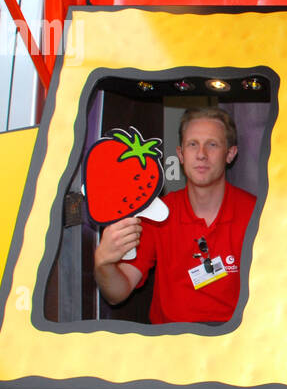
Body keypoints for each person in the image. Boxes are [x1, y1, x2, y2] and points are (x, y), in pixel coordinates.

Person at [94, 107, 256, 324]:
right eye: (192, 144)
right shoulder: (158, 215)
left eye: (212, 144)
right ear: (180, 154)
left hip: (236, 343)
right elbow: (117, 293)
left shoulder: (256, 212)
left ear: (230, 154)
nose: (201, 154)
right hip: (172, 346)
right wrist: (103, 263)